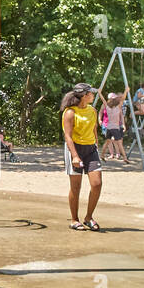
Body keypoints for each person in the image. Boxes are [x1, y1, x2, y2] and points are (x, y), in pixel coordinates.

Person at [61, 83, 103, 231]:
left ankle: (88, 217)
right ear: (84, 96)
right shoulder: (70, 112)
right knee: (76, 186)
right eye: (91, 93)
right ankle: (74, 219)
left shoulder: (93, 110)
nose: (93, 95)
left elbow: (94, 128)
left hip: (90, 149)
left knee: (97, 184)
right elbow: (68, 136)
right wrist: (75, 156)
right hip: (74, 149)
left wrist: (96, 143)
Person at [101, 92, 128, 162]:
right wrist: (126, 91)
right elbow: (123, 99)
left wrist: (99, 93)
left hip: (109, 128)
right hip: (115, 128)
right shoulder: (118, 108)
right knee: (119, 143)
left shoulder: (107, 108)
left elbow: (103, 100)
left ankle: (102, 155)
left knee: (107, 142)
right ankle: (125, 157)